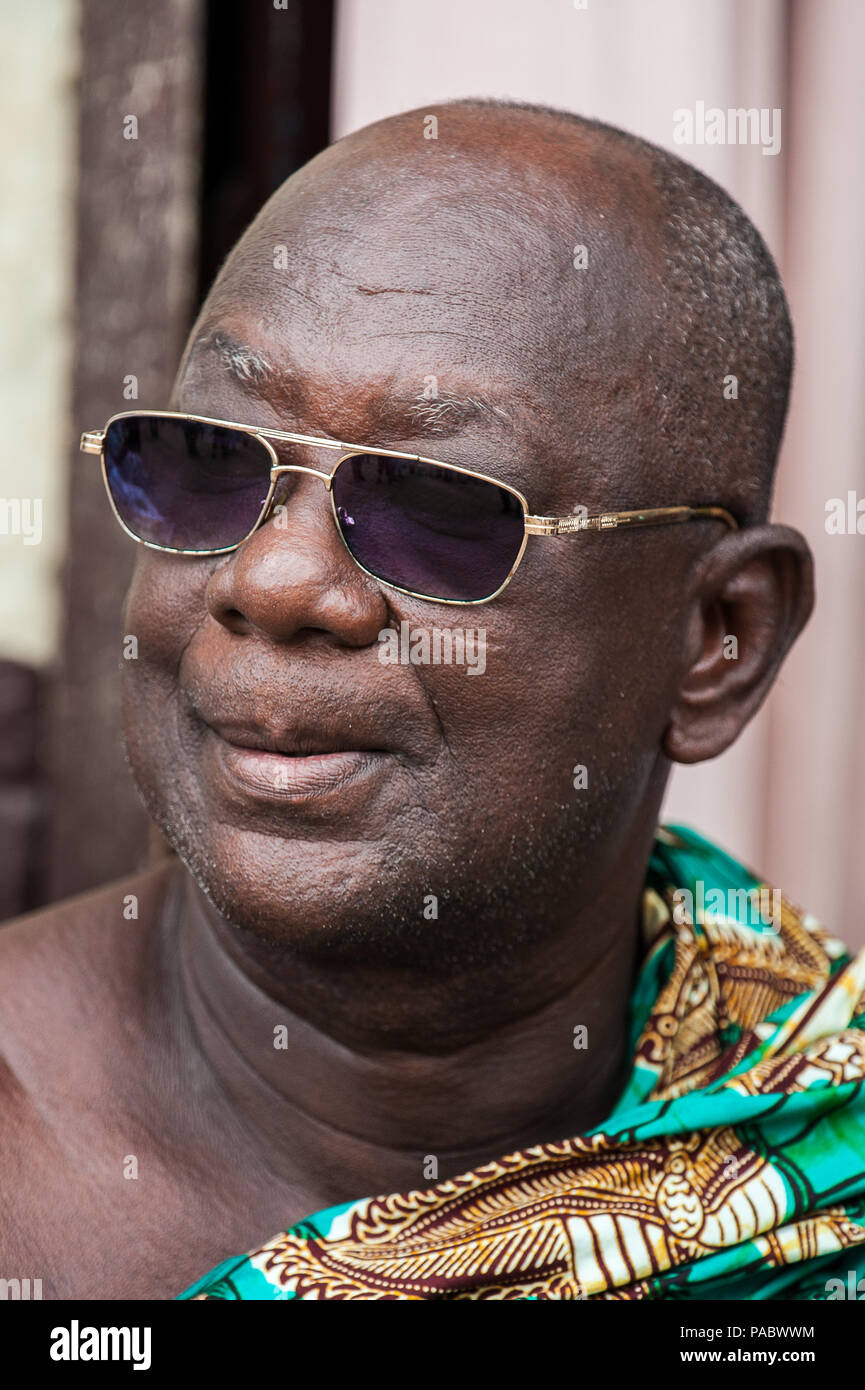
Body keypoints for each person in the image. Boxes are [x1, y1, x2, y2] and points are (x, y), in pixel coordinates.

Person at [2, 100, 863, 1302]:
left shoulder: (826, 1147)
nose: (276, 579)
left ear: (720, 637)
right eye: (207, 464)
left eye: (438, 506)